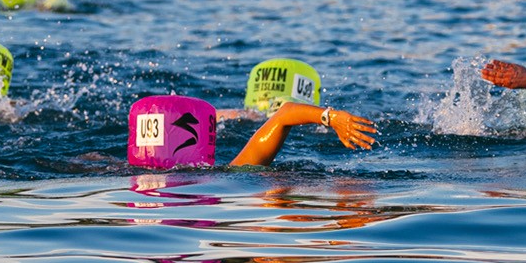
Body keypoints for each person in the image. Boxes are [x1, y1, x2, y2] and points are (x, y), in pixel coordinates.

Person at [129, 93, 375, 168]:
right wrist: (330, 117)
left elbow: (285, 113)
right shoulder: (227, 179)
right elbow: (285, 112)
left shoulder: (118, 175)